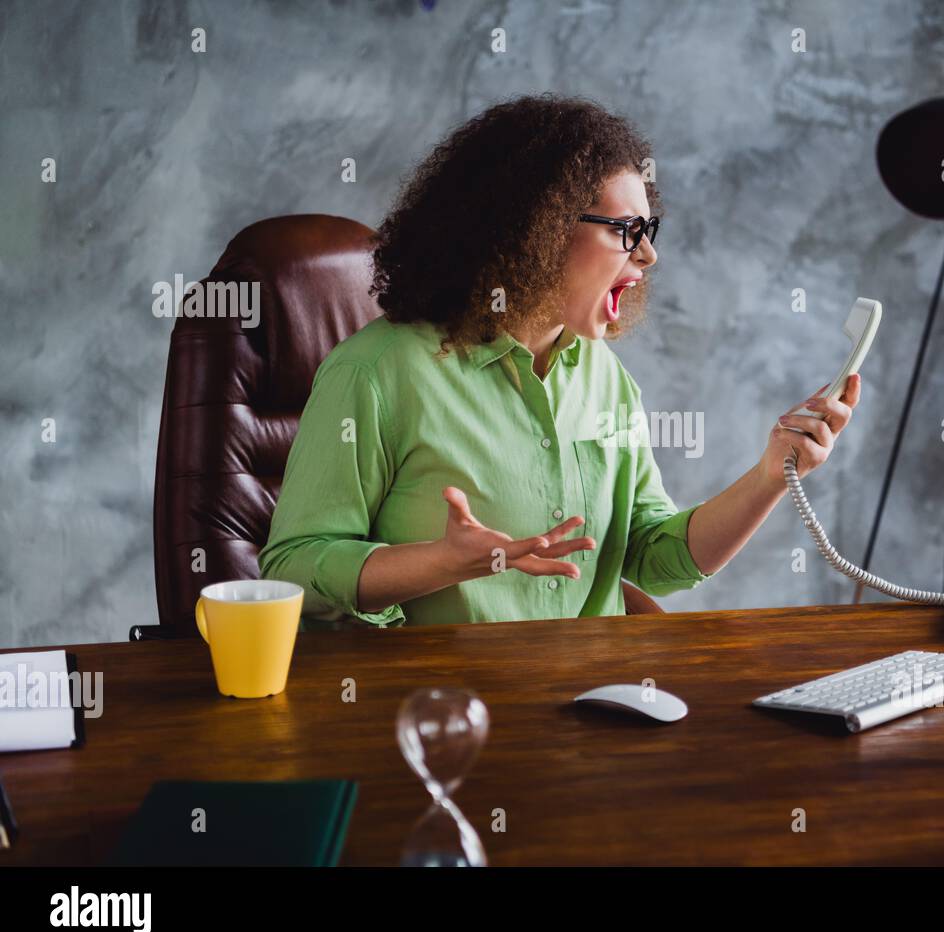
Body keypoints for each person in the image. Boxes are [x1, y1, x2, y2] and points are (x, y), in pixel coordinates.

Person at [258, 95, 860, 626]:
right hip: (442, 712)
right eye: (626, 229)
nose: (648, 253)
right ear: (532, 228)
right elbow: (292, 571)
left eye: (649, 228)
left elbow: (653, 559)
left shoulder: (604, 378)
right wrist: (438, 564)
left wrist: (771, 472)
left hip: (590, 704)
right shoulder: (375, 374)